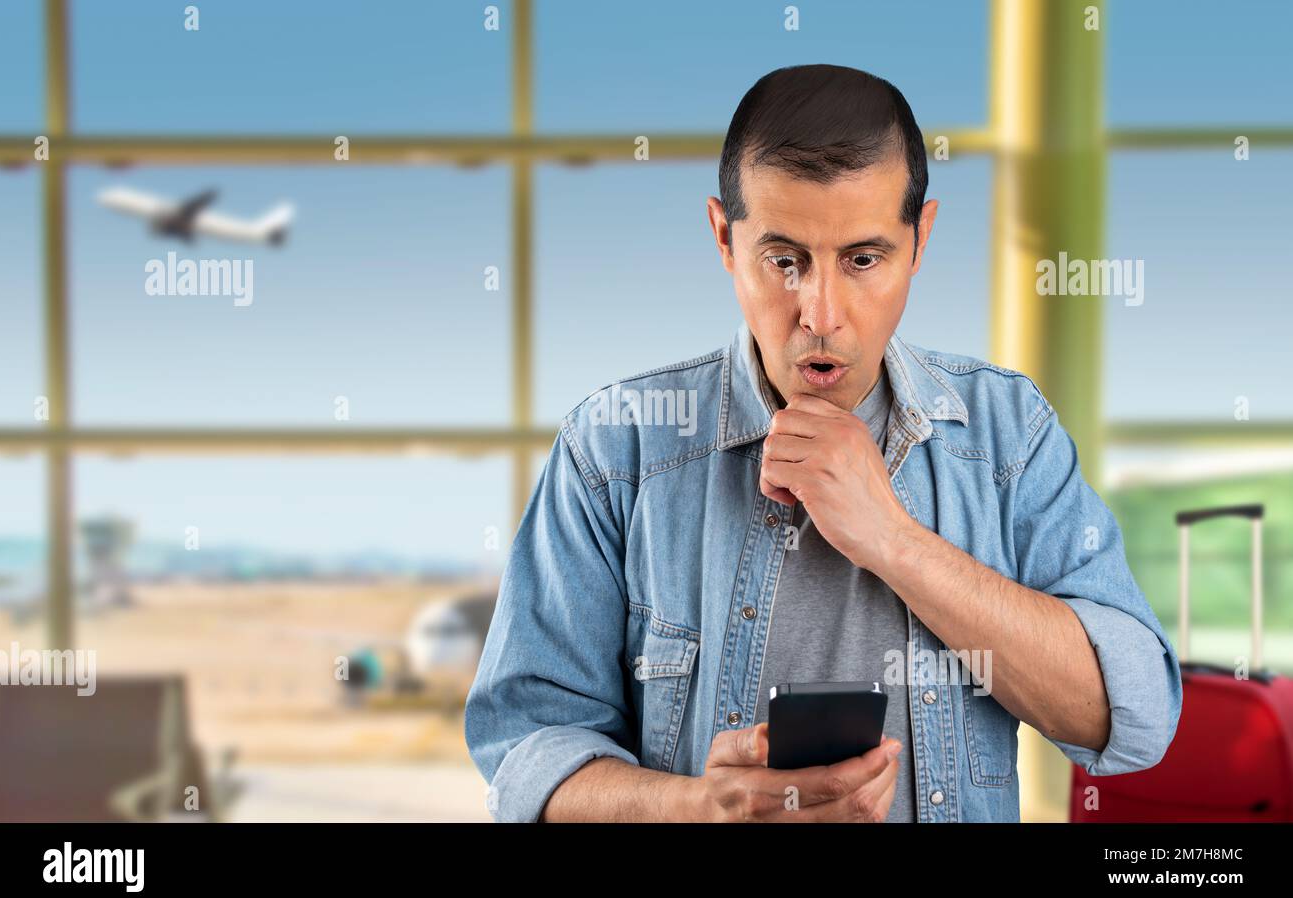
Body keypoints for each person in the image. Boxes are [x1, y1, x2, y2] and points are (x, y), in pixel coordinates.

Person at [465, 64, 1182, 822]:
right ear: (723, 238)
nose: (822, 313)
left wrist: (894, 540)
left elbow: (1133, 717)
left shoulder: (1007, 433)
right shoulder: (615, 449)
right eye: (784, 261)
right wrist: (699, 810)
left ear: (920, 240)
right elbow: (524, 754)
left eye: (863, 259)